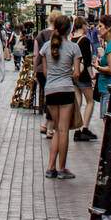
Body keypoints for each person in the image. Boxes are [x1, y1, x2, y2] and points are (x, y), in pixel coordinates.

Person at [39, 13, 81, 178]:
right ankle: (62, 168)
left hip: (51, 90)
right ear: (69, 29)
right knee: (63, 131)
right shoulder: (73, 48)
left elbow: (45, 71)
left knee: (56, 129)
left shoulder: (46, 47)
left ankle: (51, 167)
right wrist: (69, 76)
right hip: (66, 90)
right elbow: (77, 73)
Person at [71, 15, 97, 142]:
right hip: (83, 75)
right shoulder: (84, 40)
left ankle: (77, 128)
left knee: (78, 101)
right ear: (82, 26)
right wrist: (92, 76)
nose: (88, 27)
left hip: (74, 75)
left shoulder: (72, 39)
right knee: (90, 101)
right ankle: (85, 127)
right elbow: (87, 61)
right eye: (86, 24)